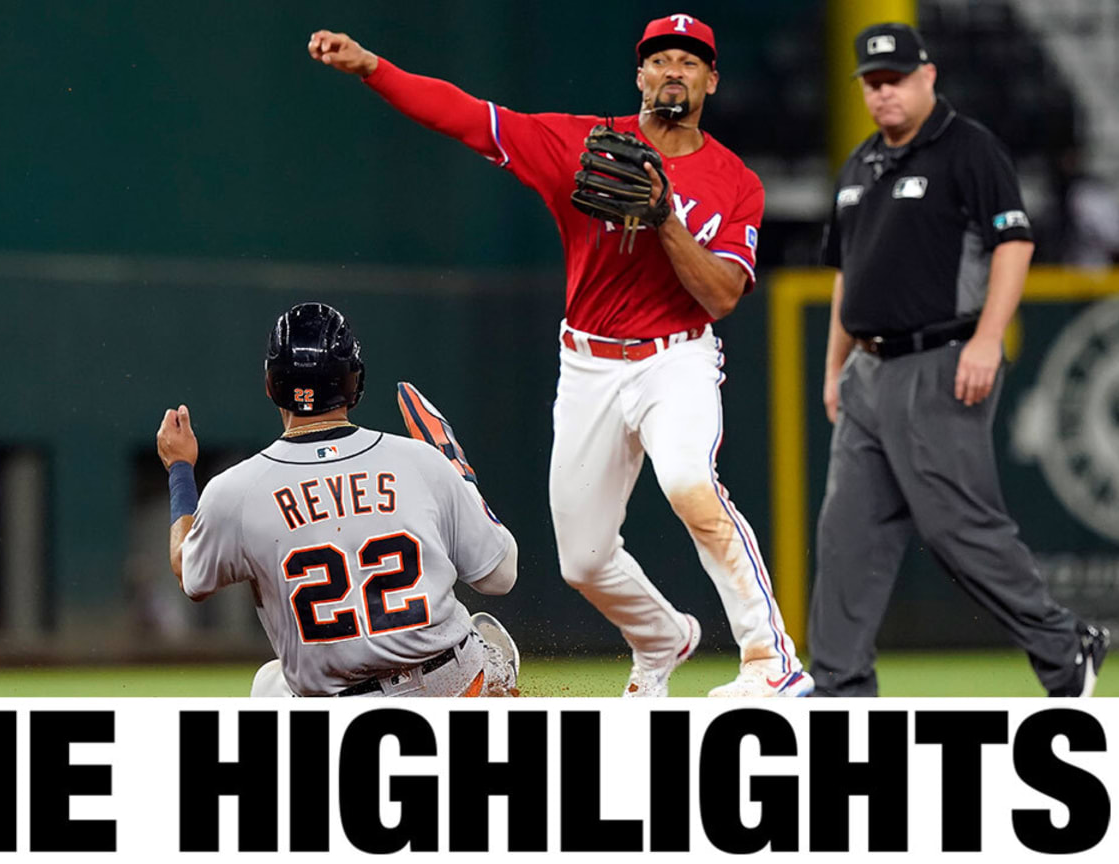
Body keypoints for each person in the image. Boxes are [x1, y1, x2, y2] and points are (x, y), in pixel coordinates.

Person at [307, 14, 810, 697]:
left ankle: (770, 660)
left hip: (676, 359)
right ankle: (661, 636)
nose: (674, 70)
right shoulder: (580, 143)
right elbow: (468, 118)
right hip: (589, 364)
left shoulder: (734, 181)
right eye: (660, 58)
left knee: (690, 483)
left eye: (690, 61)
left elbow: (722, 296)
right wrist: (373, 67)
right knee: (584, 561)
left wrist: (666, 217)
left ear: (711, 80)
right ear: (640, 74)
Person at [811, 23, 1109, 697]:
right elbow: (846, 276)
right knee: (847, 535)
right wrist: (834, 368)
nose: (883, 93)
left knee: (957, 526)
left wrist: (986, 338)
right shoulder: (859, 165)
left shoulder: (967, 147)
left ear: (927, 76)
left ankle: (1064, 645)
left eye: (895, 79)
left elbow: (1015, 243)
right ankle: (840, 689)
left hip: (940, 358)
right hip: (866, 371)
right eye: (872, 83)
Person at [156, 302, 522, 697]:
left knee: (269, 686)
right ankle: (489, 680)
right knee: (477, 633)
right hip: (450, 681)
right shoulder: (419, 461)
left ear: (270, 384)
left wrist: (180, 469)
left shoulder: (236, 491)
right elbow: (500, 576)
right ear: (355, 382)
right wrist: (461, 475)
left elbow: (188, 573)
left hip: (342, 704)